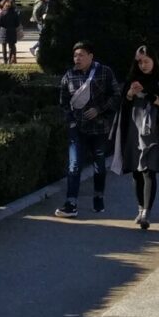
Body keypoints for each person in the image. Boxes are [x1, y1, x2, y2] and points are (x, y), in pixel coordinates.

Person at [110, 44, 159, 230]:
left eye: (146, 61)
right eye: (140, 62)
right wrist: (131, 94)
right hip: (134, 130)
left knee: (149, 170)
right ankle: (140, 208)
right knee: (136, 170)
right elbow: (122, 105)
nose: (143, 65)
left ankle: (146, 212)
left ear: (154, 61)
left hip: (154, 131)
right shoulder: (132, 79)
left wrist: (154, 99)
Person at [56, 41, 120, 217]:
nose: (77, 59)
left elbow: (116, 95)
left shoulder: (104, 72)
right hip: (77, 128)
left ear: (91, 57)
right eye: (75, 55)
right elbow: (63, 101)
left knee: (99, 165)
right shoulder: (69, 75)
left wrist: (99, 110)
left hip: (99, 129)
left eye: (81, 55)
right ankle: (71, 203)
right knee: (74, 164)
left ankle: (98, 197)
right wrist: (70, 120)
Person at [0, 0, 23, 65]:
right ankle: (10, 60)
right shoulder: (15, 13)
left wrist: (3, 26)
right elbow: (17, 23)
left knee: (4, 47)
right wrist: (13, 26)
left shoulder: (2, 13)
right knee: (11, 46)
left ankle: (5, 61)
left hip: (3, 31)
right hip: (12, 31)